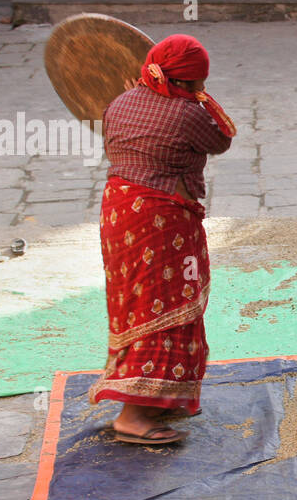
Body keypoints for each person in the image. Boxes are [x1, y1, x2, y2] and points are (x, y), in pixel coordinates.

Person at [88, 34, 236, 445]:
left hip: (119, 211)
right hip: (160, 218)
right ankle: (132, 417)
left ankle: (159, 398)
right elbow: (221, 140)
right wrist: (200, 100)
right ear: (190, 83)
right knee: (165, 310)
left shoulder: (119, 103)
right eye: (198, 83)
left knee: (135, 305)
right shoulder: (188, 114)